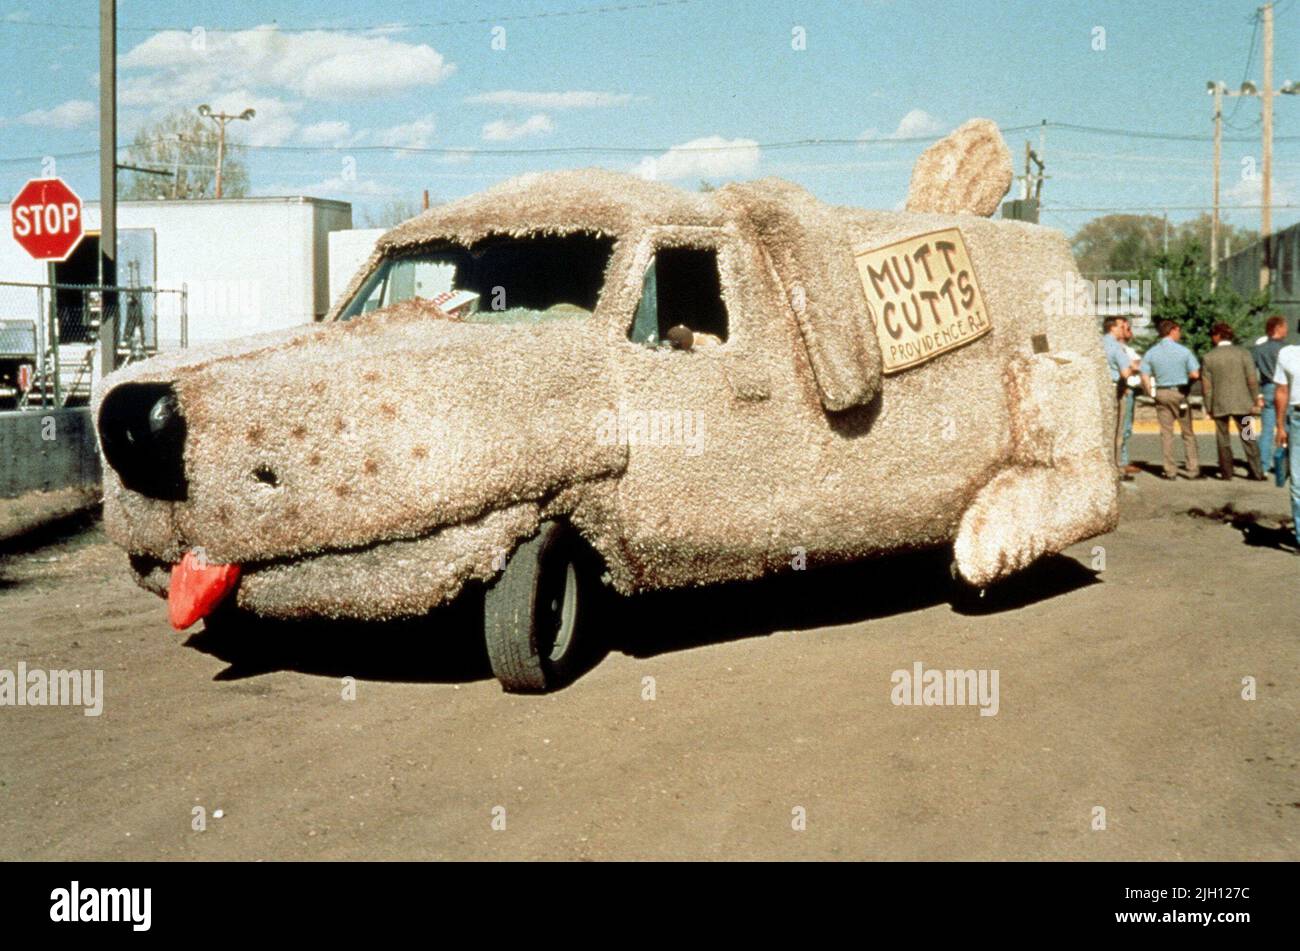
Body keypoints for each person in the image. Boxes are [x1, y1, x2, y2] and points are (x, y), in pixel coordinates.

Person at [1201, 322, 1265, 480]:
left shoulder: (1209, 357)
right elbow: (1252, 379)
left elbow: (1207, 387)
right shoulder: (1244, 353)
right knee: (1249, 437)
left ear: (1217, 336)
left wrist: (1208, 406)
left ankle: (1226, 473)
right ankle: (1257, 472)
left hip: (1220, 403)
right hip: (1243, 403)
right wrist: (1256, 398)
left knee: (1223, 439)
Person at [1140, 319, 1201, 479]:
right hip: (1179, 393)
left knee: (1167, 433)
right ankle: (1192, 468)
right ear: (1172, 330)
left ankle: (1170, 470)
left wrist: (1150, 393)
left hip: (1161, 392)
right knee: (1187, 432)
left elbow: (1144, 375)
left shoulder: (1151, 352)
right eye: (1178, 330)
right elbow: (1195, 374)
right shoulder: (1184, 351)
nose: (1180, 334)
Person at [1101, 316, 1140, 478]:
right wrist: (1134, 368)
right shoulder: (1117, 347)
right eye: (1121, 327)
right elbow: (1125, 372)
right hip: (1116, 388)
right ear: (1113, 328)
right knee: (1118, 430)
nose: (1123, 330)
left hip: (1101, 388)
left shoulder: (1099, 343)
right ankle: (1117, 467)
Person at [1272, 324, 1300, 548]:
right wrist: (1280, 426)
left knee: (1249, 437)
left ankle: (1257, 463)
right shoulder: (1286, 353)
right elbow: (1280, 391)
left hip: (1245, 406)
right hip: (1294, 417)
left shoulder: (1254, 351)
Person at [1253, 315, 1288, 475]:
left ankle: (1263, 465)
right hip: (1284, 388)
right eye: (1284, 326)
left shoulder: (1259, 350)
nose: (1286, 329)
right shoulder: (1287, 350)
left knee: (1266, 430)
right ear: (1277, 328)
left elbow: (1253, 373)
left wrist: (1257, 394)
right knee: (1286, 428)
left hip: (1267, 387)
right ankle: (1285, 463)